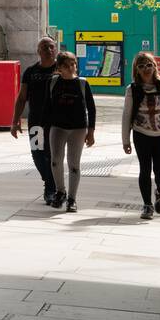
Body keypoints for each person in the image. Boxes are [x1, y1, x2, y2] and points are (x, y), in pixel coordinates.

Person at [121, 51, 160, 220]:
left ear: (155, 67)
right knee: (145, 170)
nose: (146, 69)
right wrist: (125, 140)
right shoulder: (132, 90)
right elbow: (126, 115)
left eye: (149, 65)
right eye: (141, 66)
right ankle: (147, 205)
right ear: (136, 70)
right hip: (141, 135)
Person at [42, 51, 96, 212]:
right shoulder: (52, 83)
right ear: (59, 68)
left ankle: (72, 199)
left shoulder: (82, 83)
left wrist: (91, 131)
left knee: (74, 164)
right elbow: (47, 107)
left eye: (73, 64)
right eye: (67, 65)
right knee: (55, 161)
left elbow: (91, 109)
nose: (71, 67)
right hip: (57, 127)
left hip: (78, 129)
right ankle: (60, 191)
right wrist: (45, 129)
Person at [12, 36, 60, 204]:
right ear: (38, 51)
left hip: (56, 123)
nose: (49, 50)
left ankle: (51, 189)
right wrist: (15, 120)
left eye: (52, 47)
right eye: (45, 47)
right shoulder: (31, 72)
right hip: (36, 121)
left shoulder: (61, 70)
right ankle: (49, 182)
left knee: (52, 155)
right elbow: (22, 97)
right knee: (37, 154)